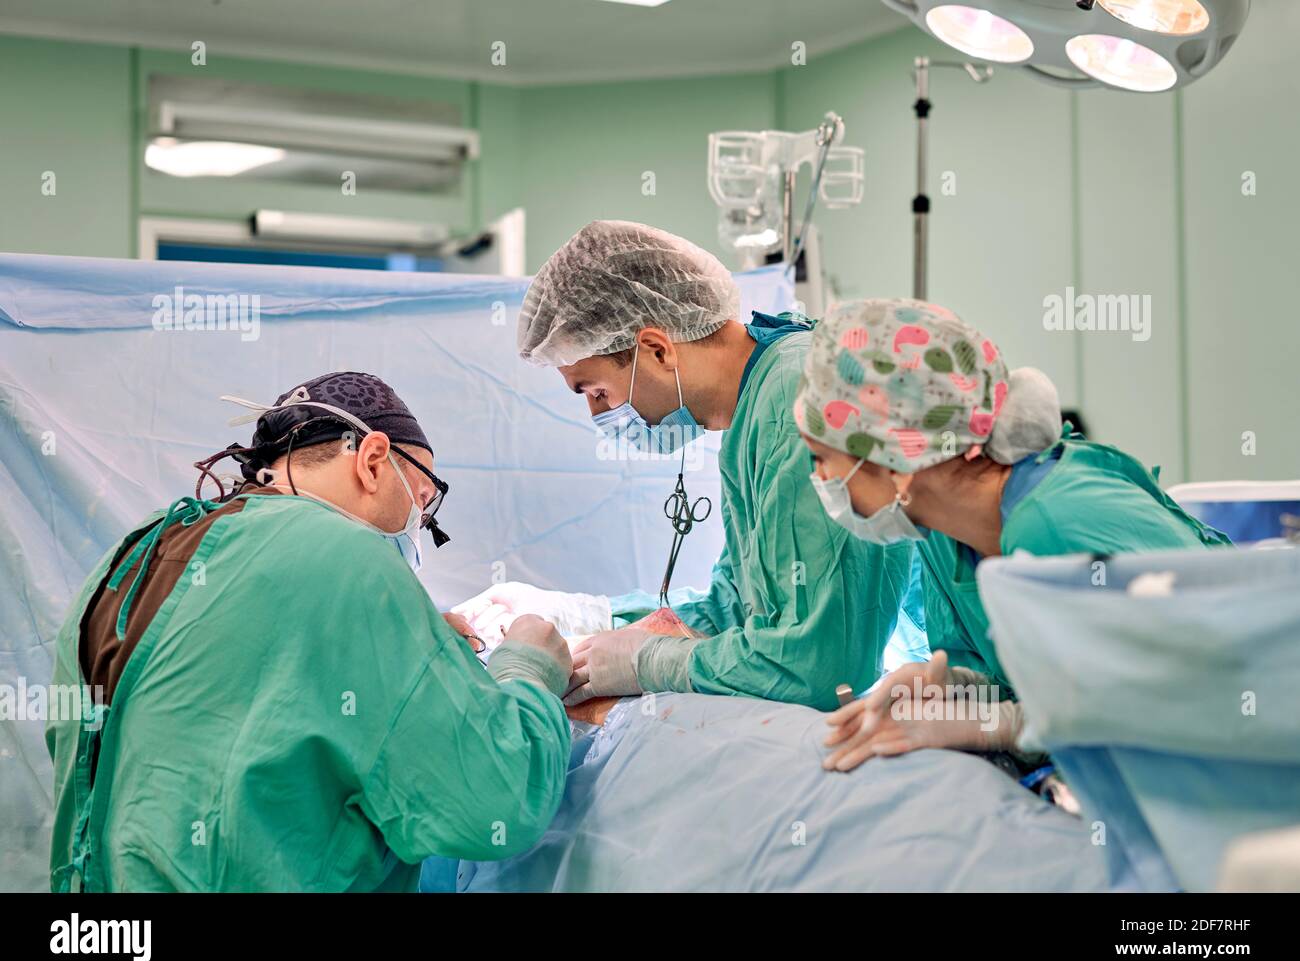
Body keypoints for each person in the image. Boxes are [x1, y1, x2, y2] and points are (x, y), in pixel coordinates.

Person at [46, 371, 572, 891]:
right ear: (371, 461)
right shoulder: (349, 561)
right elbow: (493, 799)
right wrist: (528, 669)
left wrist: (405, 658)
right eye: (423, 498)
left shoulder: (137, 552)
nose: (420, 524)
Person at [470, 220, 916, 711]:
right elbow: (737, 605)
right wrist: (589, 617)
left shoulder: (796, 404)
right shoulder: (755, 407)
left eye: (597, 392)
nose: (599, 415)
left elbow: (821, 667)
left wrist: (650, 664)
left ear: (657, 350)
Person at [792, 299, 1231, 771]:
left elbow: (1198, 693)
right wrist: (957, 689)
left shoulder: (1057, 520)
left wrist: (995, 725)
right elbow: (1052, 679)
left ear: (894, 462)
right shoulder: (946, 537)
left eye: (822, 458)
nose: (819, 478)